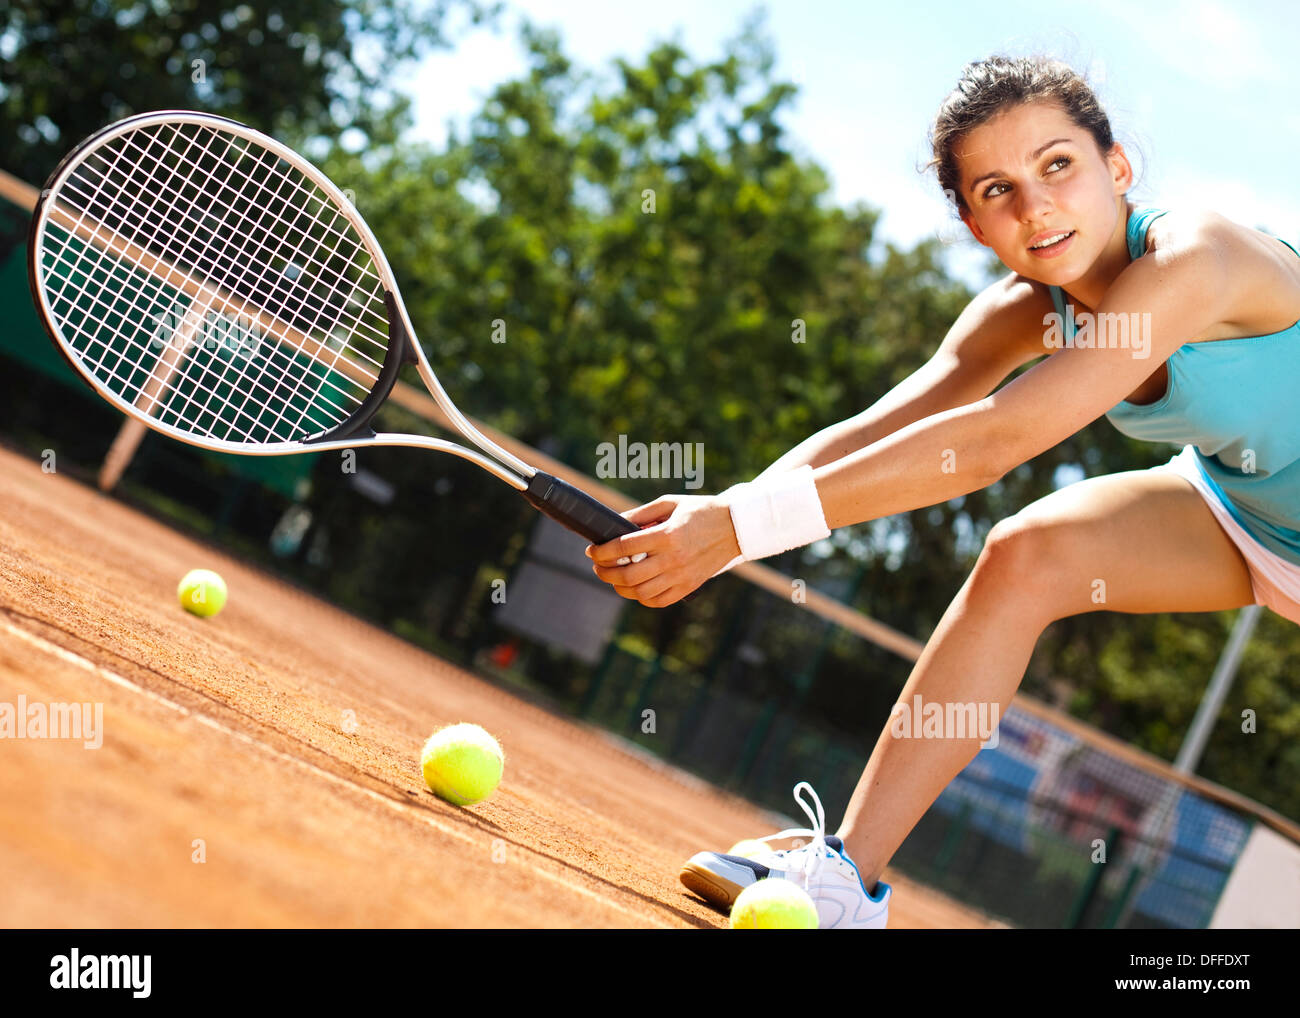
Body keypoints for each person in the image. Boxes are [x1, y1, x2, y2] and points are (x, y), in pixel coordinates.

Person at [585, 54, 1300, 929]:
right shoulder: (1021, 310)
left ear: (1118, 168)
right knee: (1027, 555)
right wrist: (721, 517)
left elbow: (991, 443)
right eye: (996, 189)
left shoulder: (1200, 258)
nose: (1034, 206)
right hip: (1248, 510)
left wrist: (734, 531)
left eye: (1058, 165)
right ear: (971, 224)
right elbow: (882, 429)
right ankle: (844, 880)